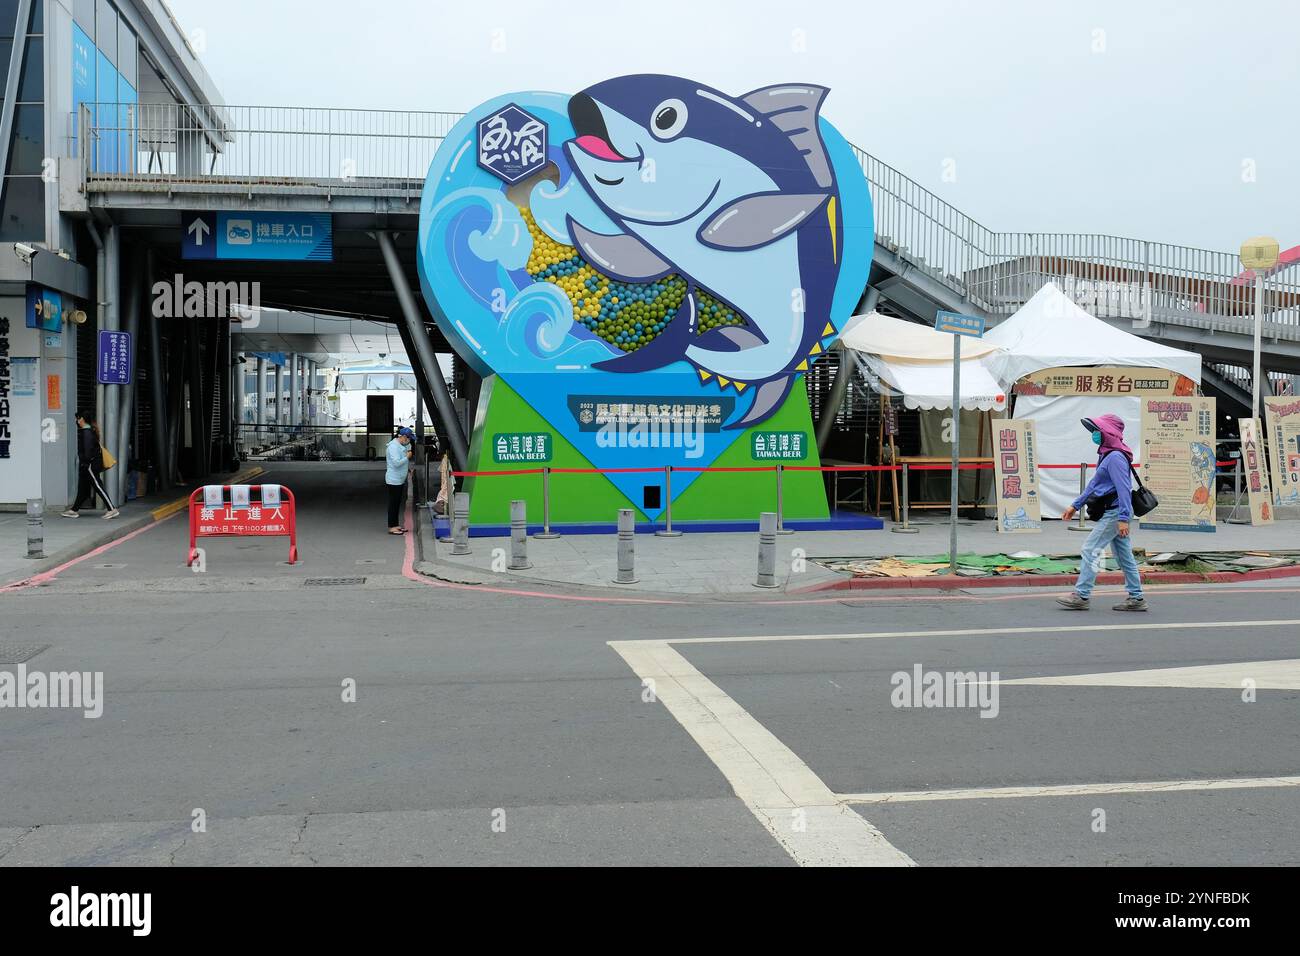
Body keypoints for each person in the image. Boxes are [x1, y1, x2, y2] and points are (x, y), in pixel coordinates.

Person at [1056, 414, 1147, 612]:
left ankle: (1082, 595)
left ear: (1108, 432)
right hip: (1114, 512)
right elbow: (1094, 485)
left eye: (1097, 430)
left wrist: (1123, 518)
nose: (1094, 434)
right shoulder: (1107, 454)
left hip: (1115, 513)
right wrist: (1075, 505)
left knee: (1090, 549)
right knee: (1124, 556)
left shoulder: (1114, 457)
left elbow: (1124, 489)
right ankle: (1136, 598)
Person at [62, 411, 119, 519]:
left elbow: (88, 452)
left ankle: (112, 509)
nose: (76, 420)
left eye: (78, 418)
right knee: (83, 488)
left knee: (97, 485)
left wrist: (85, 463)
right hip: (87, 465)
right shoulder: (88, 430)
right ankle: (74, 510)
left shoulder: (86, 432)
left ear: (82, 419)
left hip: (89, 465)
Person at [385, 427, 415, 534]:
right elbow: (396, 463)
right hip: (393, 480)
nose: (409, 441)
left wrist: (407, 469)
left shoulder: (400, 446)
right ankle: (392, 527)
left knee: (397, 503)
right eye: (409, 439)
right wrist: (407, 457)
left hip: (399, 479)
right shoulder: (393, 447)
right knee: (393, 504)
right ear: (403, 437)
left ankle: (395, 525)